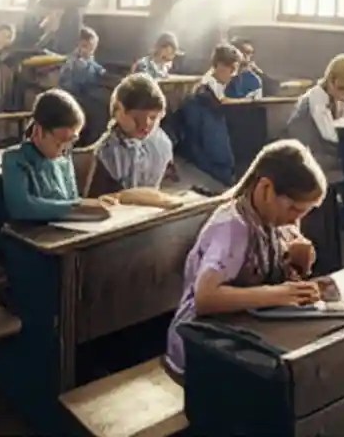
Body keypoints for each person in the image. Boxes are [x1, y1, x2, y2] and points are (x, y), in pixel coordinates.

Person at [164, 140, 325, 379]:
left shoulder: (273, 220)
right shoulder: (232, 225)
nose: (295, 221)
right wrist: (281, 293)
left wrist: (295, 262)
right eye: (293, 209)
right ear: (266, 189)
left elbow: (272, 274)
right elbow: (205, 298)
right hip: (198, 342)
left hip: (243, 325)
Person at [3, 89, 113, 221]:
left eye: (71, 141)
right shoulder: (15, 159)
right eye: (61, 141)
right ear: (39, 130)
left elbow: (71, 198)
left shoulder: (64, 158)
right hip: (29, 236)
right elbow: (22, 208)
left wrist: (93, 204)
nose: (65, 148)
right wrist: (78, 206)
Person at [285, 53, 344, 178]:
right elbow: (330, 137)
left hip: (329, 158)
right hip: (311, 161)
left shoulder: (338, 97)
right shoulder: (314, 101)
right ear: (331, 81)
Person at [92, 74, 175, 196]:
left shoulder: (162, 143)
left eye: (153, 117)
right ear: (118, 110)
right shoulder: (106, 151)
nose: (144, 125)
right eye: (136, 118)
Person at [178, 45, 245, 186]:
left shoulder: (221, 88)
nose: (233, 75)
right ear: (219, 65)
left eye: (236, 70)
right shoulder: (201, 95)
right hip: (210, 165)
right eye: (231, 69)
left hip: (221, 162)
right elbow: (199, 140)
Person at [57, 26, 106, 97]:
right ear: (77, 45)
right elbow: (67, 73)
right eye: (85, 46)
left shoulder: (89, 58)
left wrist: (100, 70)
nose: (88, 51)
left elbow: (94, 64)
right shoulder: (73, 59)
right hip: (72, 88)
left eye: (92, 49)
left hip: (88, 86)